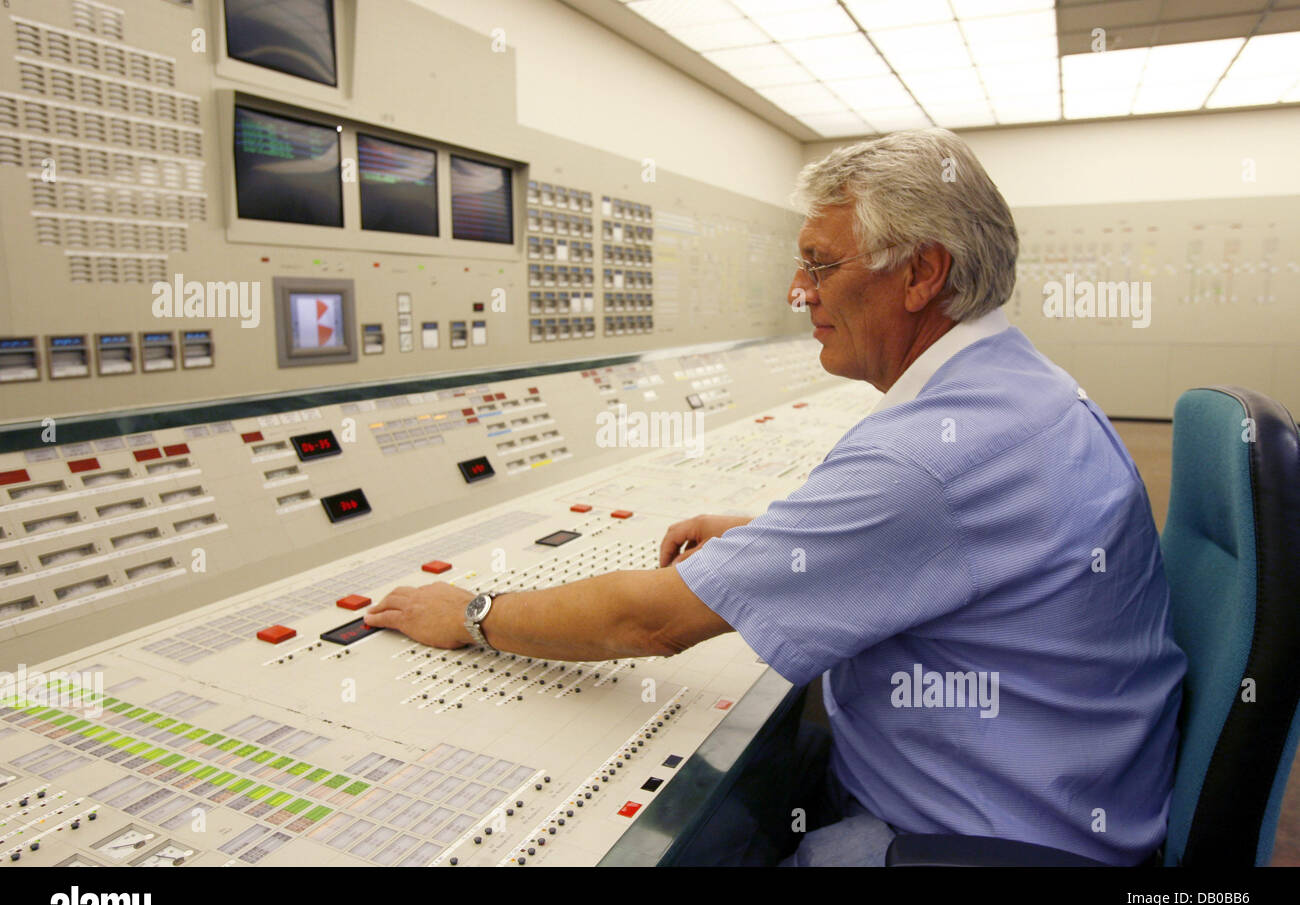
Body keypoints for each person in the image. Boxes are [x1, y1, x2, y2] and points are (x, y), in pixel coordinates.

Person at [365, 128, 1186, 867]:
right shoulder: (1025, 387)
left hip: (973, 839)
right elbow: (963, 543)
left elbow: (646, 623)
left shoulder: (925, 461)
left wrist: (473, 614)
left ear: (921, 273)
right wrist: (785, 539)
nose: (800, 291)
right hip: (1078, 786)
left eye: (821, 264)